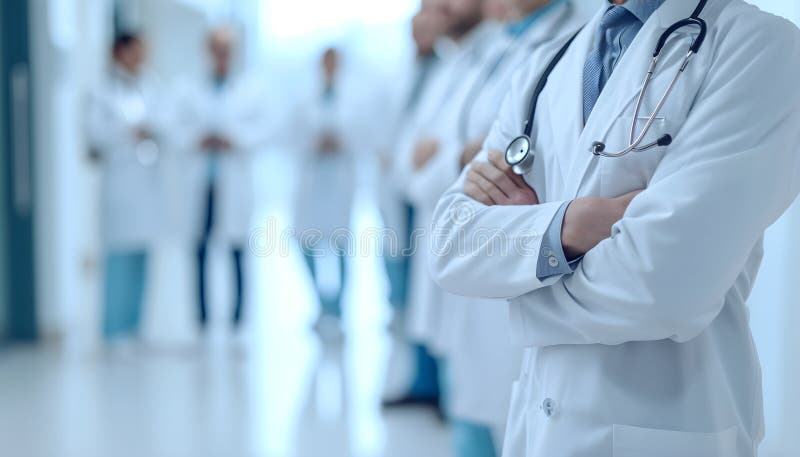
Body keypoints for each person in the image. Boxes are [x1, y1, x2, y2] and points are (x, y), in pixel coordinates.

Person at [429, 1, 800, 456]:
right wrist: (573, 223)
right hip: (539, 426)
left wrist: (515, 284)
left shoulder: (758, 46)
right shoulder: (546, 64)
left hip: (664, 427)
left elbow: (664, 289)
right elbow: (449, 241)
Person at [408, 0, 585, 454]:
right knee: (473, 414)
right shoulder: (491, 49)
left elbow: (510, 169)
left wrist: (458, 155)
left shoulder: (575, 37)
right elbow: (417, 166)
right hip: (471, 260)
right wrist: (459, 155)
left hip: (522, 264)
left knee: (514, 423)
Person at [171, 26, 269, 333]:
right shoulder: (188, 86)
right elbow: (174, 126)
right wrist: (195, 139)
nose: (221, 55)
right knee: (199, 251)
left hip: (233, 177)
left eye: (226, 49)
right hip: (202, 181)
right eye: (216, 48)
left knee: (237, 252)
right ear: (207, 50)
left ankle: (238, 321)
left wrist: (235, 139)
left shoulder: (250, 87)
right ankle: (201, 320)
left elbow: (264, 127)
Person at [379, 0, 451, 413]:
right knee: (410, 290)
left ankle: (439, 385)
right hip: (401, 191)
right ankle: (422, 381)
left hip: (433, 191)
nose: (420, 28)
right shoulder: (401, 73)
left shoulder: (452, 69)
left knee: (436, 286)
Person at [87, 32, 166, 342]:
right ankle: (113, 328)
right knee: (118, 256)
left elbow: (167, 119)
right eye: (135, 52)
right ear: (118, 52)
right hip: (119, 182)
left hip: (146, 184)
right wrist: (127, 132)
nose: (141, 59)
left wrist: (151, 130)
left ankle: (135, 326)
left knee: (142, 256)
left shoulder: (152, 85)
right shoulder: (101, 91)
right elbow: (94, 133)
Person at [293, 47, 368, 338]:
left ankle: (338, 309)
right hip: (312, 178)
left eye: (334, 62)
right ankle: (320, 303)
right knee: (308, 244)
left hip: (339, 179)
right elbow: (291, 133)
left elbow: (363, 135)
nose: (330, 67)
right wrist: (313, 142)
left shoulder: (354, 99)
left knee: (340, 247)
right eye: (326, 62)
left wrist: (341, 141)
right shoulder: (304, 98)